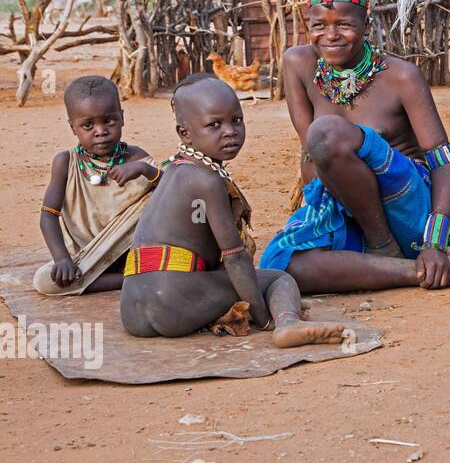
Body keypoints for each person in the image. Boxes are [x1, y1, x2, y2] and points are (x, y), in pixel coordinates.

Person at [260, 0, 450, 294]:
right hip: (341, 202)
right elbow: (310, 151)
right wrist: (317, 216)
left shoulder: (401, 77)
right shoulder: (298, 63)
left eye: (344, 24)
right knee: (284, 265)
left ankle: (385, 246)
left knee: (326, 132)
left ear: (366, 24)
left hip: (405, 208)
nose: (331, 35)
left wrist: (435, 241)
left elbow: (442, 161)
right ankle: (416, 270)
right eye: (319, 25)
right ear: (308, 24)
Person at [119, 74, 344, 347]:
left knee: (247, 284)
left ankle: (277, 307)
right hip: (173, 302)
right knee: (279, 280)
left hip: (133, 312)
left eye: (236, 120)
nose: (230, 131)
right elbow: (234, 259)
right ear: (185, 133)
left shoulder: (173, 170)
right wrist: (261, 317)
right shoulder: (207, 179)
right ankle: (287, 323)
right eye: (214, 125)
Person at [34, 75, 158, 295]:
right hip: (87, 257)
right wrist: (62, 259)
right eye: (88, 125)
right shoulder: (65, 163)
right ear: (73, 127)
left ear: (122, 118)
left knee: (158, 191)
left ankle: (133, 270)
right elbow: (48, 215)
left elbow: (176, 191)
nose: (100, 131)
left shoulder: (138, 158)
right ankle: (129, 278)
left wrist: (145, 170)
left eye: (108, 120)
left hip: (131, 251)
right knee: (45, 281)